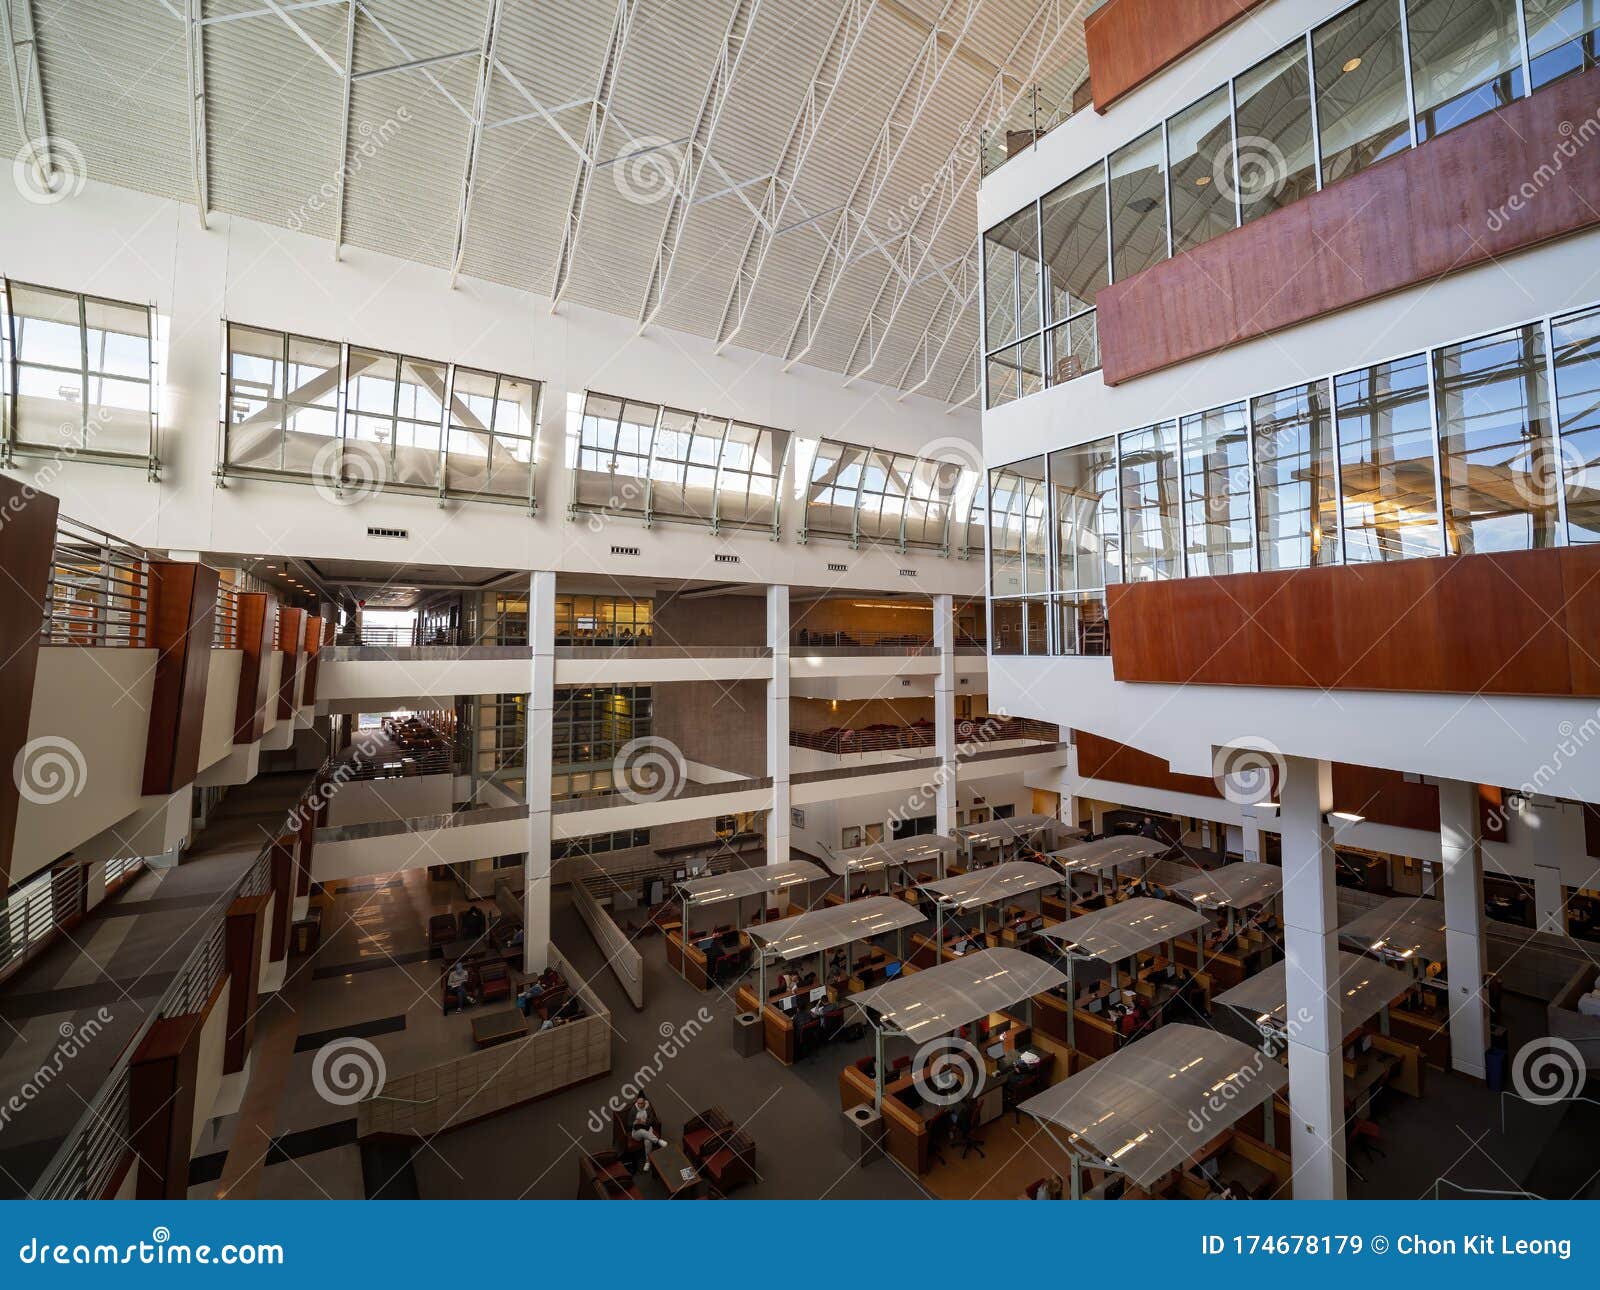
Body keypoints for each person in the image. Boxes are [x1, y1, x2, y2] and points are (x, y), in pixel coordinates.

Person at [627, 1095, 669, 1173]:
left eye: (641, 1103)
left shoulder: (648, 1108)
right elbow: (629, 1124)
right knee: (642, 1132)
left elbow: (651, 1121)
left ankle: (647, 1162)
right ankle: (658, 1141)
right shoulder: (633, 1110)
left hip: (647, 1129)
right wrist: (635, 1122)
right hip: (637, 1132)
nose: (640, 1105)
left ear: (644, 1102)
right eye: (638, 1103)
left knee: (648, 1141)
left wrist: (644, 1122)